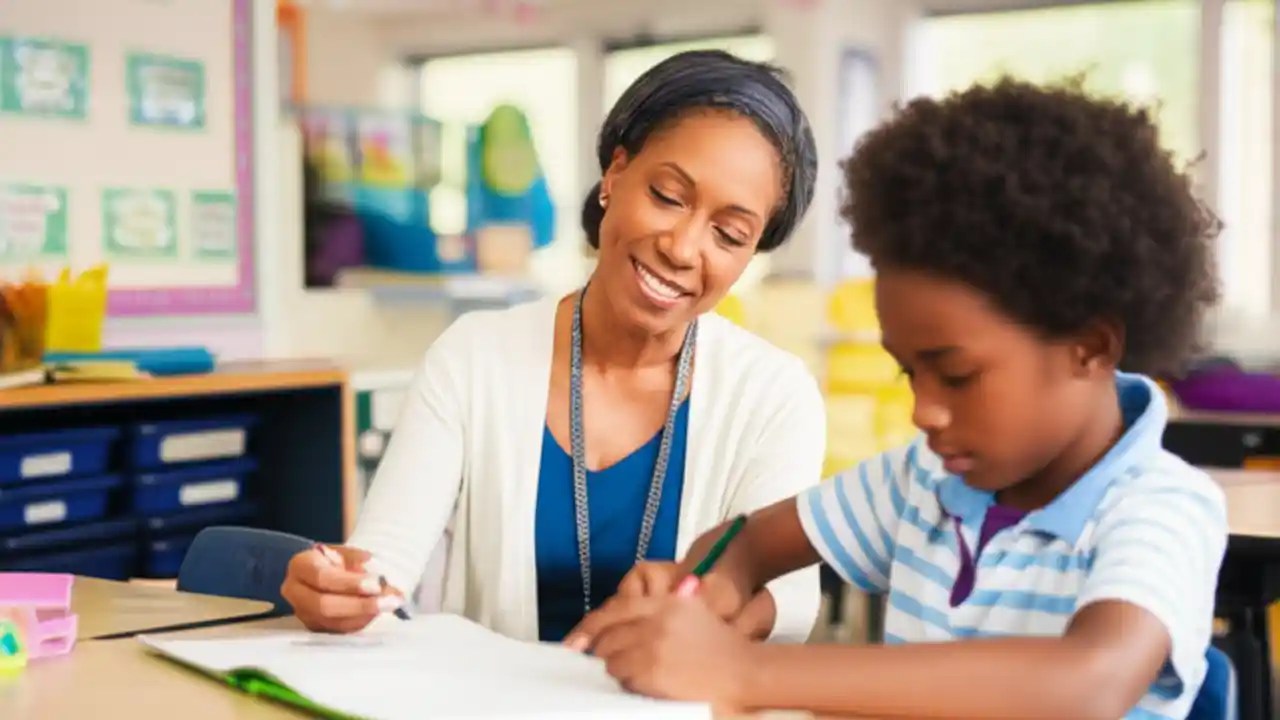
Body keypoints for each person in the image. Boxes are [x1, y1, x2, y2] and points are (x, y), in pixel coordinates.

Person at [569, 78, 1225, 719]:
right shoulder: (924, 480)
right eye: (911, 375)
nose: (924, 412)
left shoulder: (1158, 507)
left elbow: (1087, 683)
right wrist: (701, 588)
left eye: (958, 375)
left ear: (1088, 346)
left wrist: (744, 672)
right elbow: (748, 543)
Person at [280, 50, 826, 644]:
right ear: (615, 175)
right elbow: (383, 563)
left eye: (729, 234)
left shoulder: (774, 394)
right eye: (668, 196)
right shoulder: (474, 357)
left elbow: (790, 601)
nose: (683, 247)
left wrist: (708, 617)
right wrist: (340, 591)